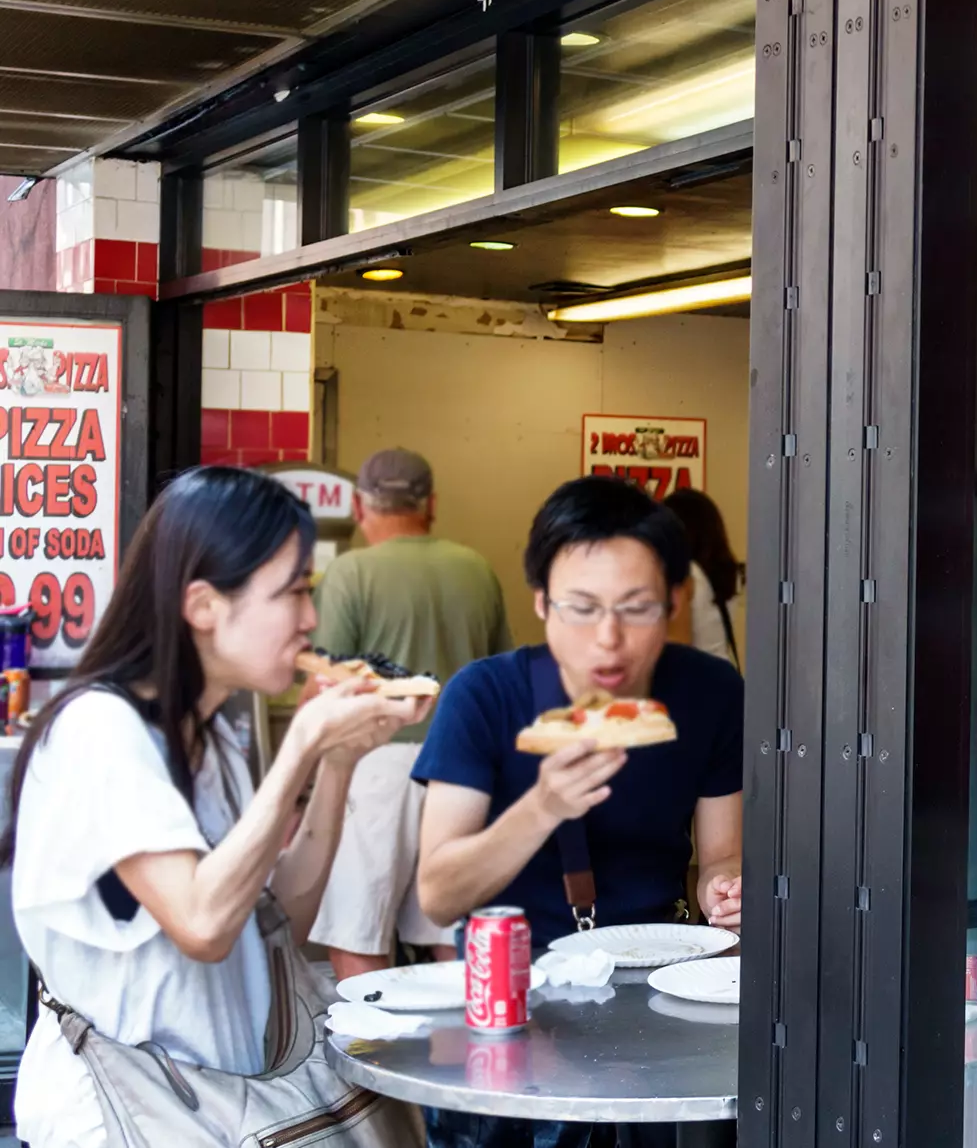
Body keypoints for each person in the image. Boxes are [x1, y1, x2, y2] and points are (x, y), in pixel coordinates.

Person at [3, 467, 429, 1148]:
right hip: (124, 1117)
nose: (311, 619)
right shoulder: (102, 731)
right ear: (203, 605)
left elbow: (276, 914)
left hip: (222, 1107)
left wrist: (337, 763)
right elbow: (201, 921)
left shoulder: (212, 738)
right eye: (292, 592)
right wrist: (300, 750)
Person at [413, 476, 743, 1146]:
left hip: (659, 995)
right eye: (582, 609)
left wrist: (725, 890)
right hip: (515, 1003)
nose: (610, 640)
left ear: (677, 599)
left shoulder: (710, 693)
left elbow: (720, 855)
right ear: (540, 602)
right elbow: (439, 893)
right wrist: (542, 806)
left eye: (637, 608)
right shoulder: (484, 697)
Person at [308, 446, 511, 982]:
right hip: (465, 773)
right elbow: (499, 678)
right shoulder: (476, 570)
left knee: (358, 933)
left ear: (359, 507)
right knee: (449, 936)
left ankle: (364, 1063)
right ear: (432, 504)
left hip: (376, 767)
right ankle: (465, 1060)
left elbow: (324, 685)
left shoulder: (351, 573)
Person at [662, 487, 740, 668]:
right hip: (724, 673)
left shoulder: (686, 573)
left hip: (695, 676)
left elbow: (678, 644)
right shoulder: (727, 572)